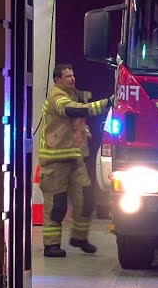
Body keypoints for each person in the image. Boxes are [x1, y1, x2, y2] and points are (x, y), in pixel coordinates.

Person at [38, 65, 113, 257]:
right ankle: (51, 245)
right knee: (57, 206)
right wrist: (107, 103)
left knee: (86, 200)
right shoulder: (57, 97)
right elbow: (73, 111)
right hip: (55, 161)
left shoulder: (74, 95)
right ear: (57, 80)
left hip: (75, 159)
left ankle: (79, 238)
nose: (72, 79)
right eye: (67, 76)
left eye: (73, 75)